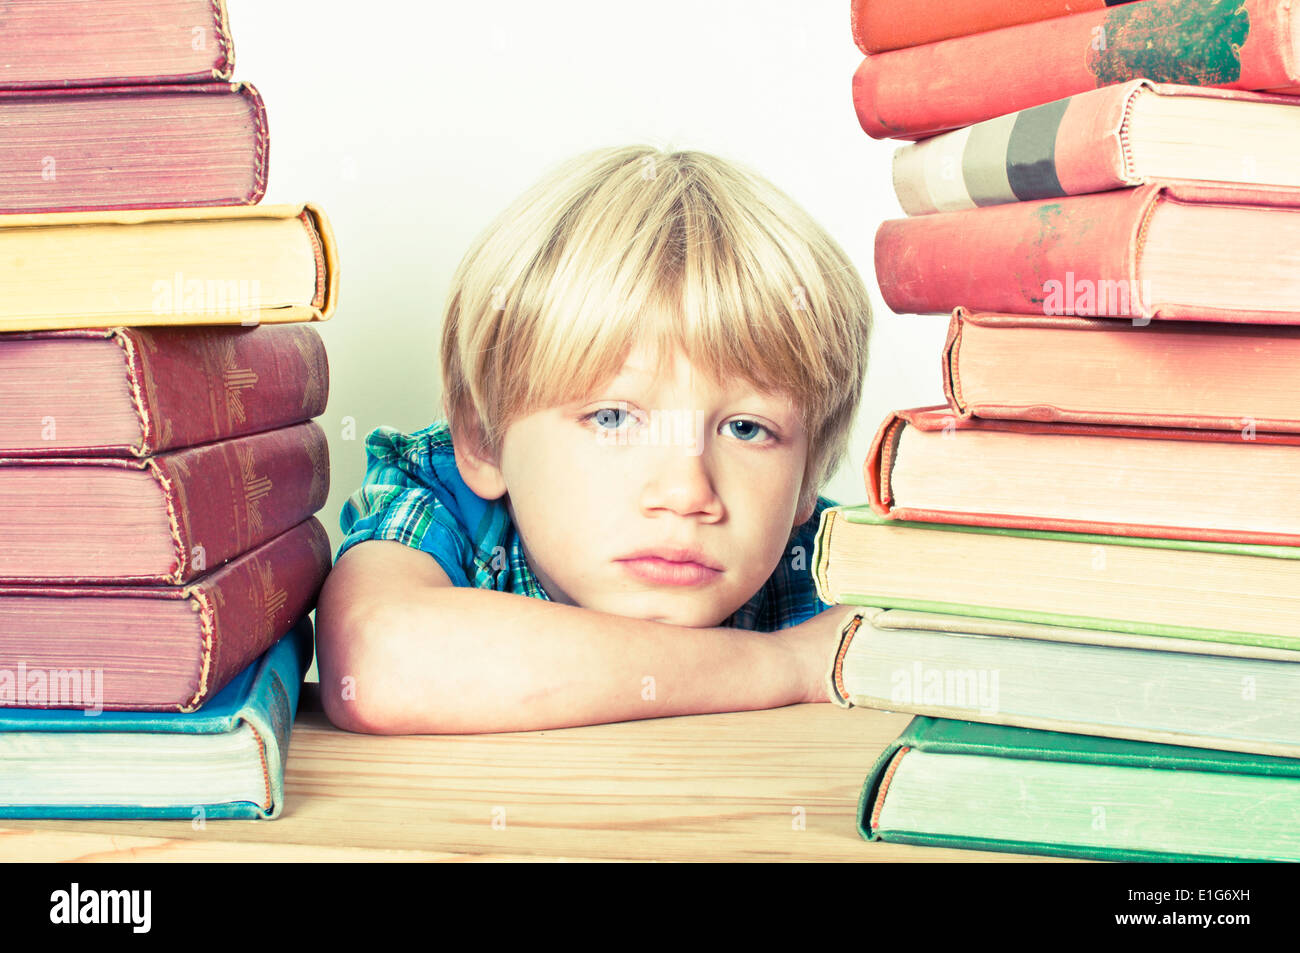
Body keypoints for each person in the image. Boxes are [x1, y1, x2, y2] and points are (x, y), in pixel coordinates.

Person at [316, 144, 873, 733]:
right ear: (483, 440)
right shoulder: (446, 501)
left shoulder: (837, 570)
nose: (686, 493)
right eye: (612, 418)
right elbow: (376, 663)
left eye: (746, 428)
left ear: (810, 475)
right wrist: (794, 665)